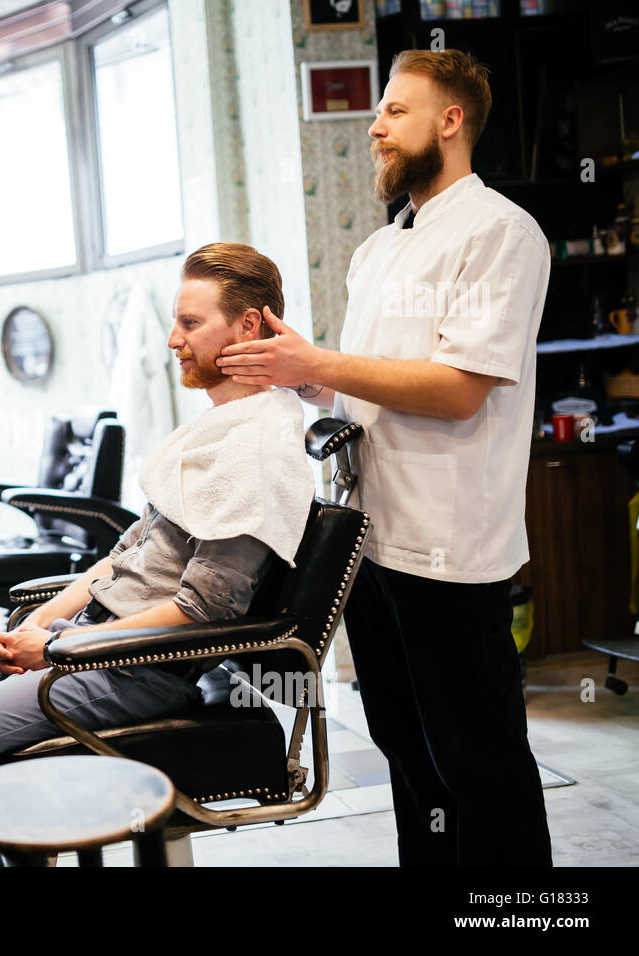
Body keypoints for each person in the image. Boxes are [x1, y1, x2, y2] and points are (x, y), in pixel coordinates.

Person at [216, 49, 552, 866]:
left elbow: (461, 388)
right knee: (408, 751)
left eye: (396, 111)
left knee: (480, 761)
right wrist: (293, 377)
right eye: (378, 112)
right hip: (371, 541)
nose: (375, 126)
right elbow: (367, 388)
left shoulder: (500, 234)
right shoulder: (377, 252)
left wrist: (320, 365)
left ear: (451, 121)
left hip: (452, 549)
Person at [0, 242, 315, 865]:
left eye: (190, 323)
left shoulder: (255, 450)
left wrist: (59, 650)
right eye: (176, 321)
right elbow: (127, 550)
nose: (173, 339)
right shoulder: (217, 428)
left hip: (128, 671)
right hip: (84, 642)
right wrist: (49, 618)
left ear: (249, 327)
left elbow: (205, 610)